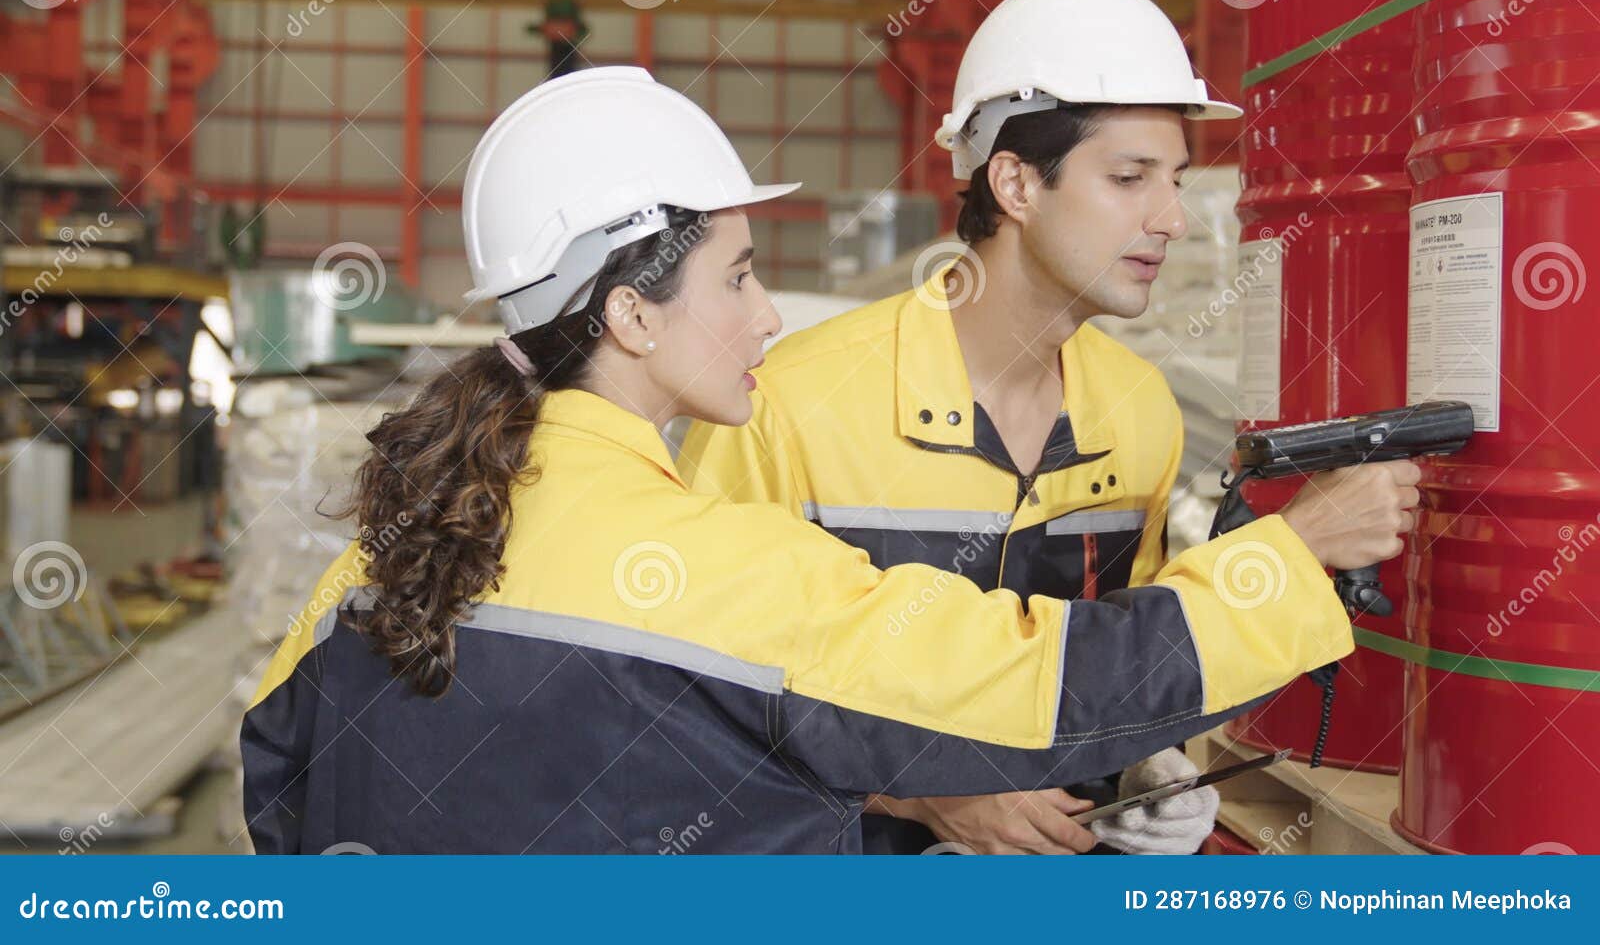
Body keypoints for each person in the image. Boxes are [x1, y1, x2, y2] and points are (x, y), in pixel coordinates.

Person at [239, 67, 1390, 855]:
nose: (768, 318)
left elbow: (277, 782)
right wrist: (1288, 563)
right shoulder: (728, 577)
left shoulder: (390, 556)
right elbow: (1043, 683)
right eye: (737, 277)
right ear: (633, 315)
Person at [678, 0, 1422, 854]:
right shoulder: (794, 404)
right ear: (1017, 184)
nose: (1174, 218)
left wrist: (1145, 761)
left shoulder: (1139, 413)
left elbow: (1117, 659)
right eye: (1129, 178)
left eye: (1176, 180)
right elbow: (700, 694)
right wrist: (920, 795)